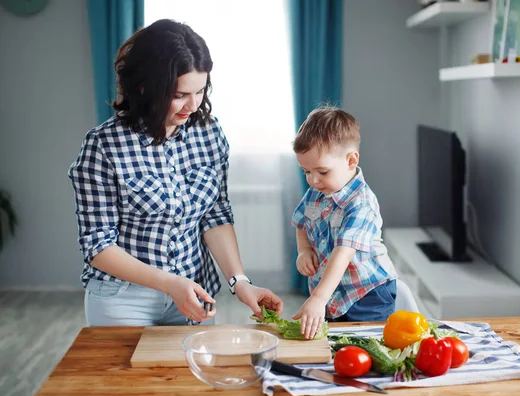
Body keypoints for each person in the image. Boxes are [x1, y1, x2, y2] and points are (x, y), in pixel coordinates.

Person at [68, 19, 283, 326]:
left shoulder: (209, 133)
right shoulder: (103, 146)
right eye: (180, 94)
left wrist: (240, 281)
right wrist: (170, 283)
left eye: (200, 91)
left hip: (194, 292)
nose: (193, 106)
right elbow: (98, 246)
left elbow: (215, 214)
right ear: (144, 86)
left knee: (190, 374)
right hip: (123, 299)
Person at [290, 106, 419, 339]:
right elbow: (301, 223)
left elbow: (342, 254)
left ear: (351, 160)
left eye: (322, 171)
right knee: (333, 346)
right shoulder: (316, 192)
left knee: (366, 346)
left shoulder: (361, 204)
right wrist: (304, 250)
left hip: (369, 294)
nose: (313, 180)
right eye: (306, 172)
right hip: (333, 292)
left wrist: (318, 298)